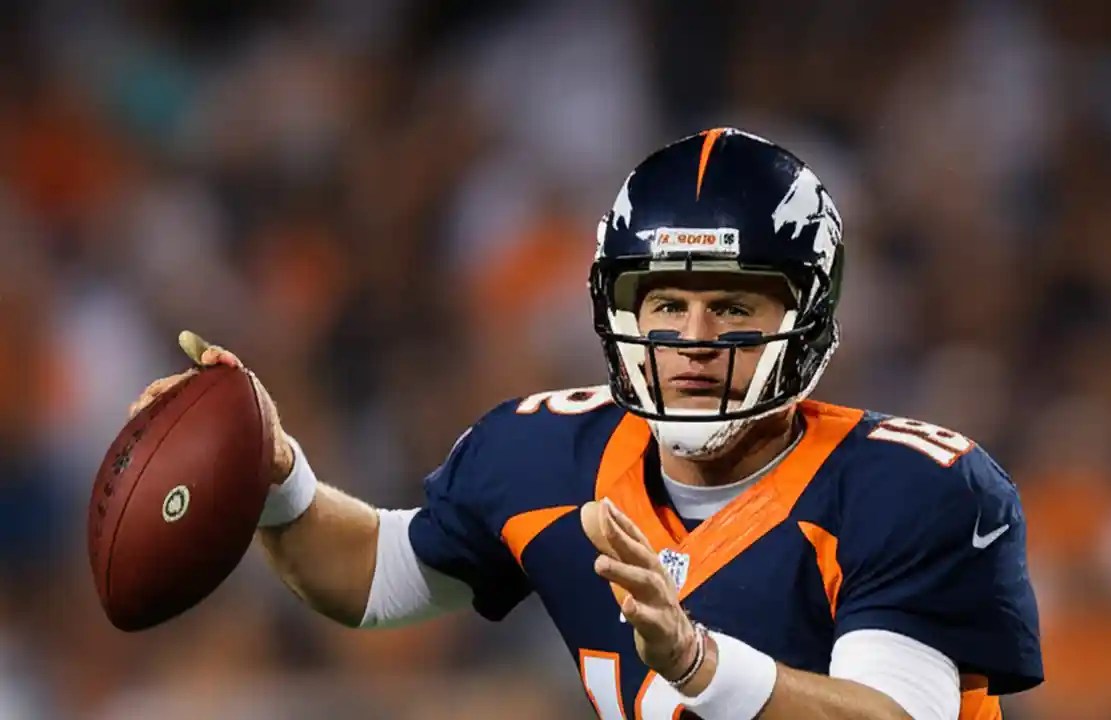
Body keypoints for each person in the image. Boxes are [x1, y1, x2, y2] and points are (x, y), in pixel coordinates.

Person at [132, 128, 1043, 720]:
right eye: (667, 303)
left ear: (806, 323)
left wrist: (697, 663)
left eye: (732, 306)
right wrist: (272, 472)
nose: (694, 338)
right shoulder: (542, 454)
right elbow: (374, 576)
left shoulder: (912, 486)